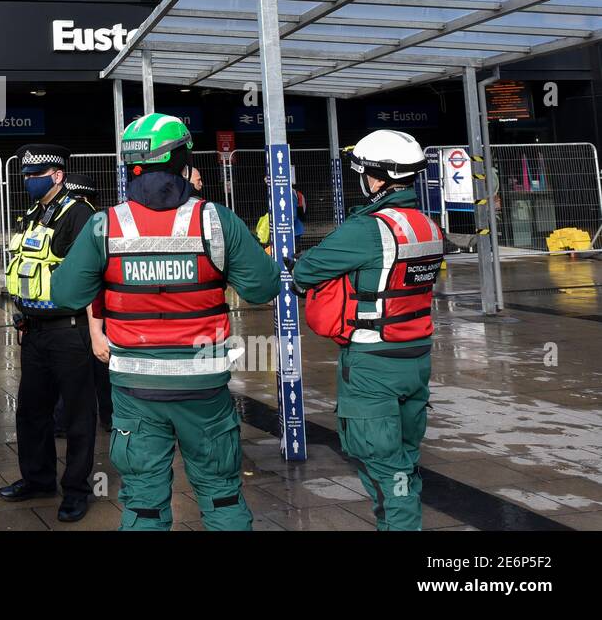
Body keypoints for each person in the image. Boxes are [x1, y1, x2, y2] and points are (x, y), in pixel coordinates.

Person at [51, 114, 282, 530]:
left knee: (142, 505)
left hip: (135, 390)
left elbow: (65, 294)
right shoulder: (217, 221)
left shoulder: (106, 226)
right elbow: (263, 288)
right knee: (223, 496)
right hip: (204, 389)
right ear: (183, 160)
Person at [292, 129, 441, 531]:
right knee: (404, 462)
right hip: (416, 359)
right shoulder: (427, 225)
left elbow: (306, 270)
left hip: (372, 365)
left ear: (376, 178)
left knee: (383, 467)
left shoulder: (367, 229)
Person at [0, 143, 96, 523]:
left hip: (69, 331)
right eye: (25, 175)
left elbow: (90, 276)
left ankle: (76, 490)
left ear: (56, 176)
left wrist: (97, 331)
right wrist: (22, 320)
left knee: (77, 415)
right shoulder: (33, 215)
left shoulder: (79, 215)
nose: (27, 181)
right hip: (35, 331)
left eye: (34, 176)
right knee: (32, 412)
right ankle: (38, 479)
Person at [56, 171, 112, 434]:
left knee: (73, 372)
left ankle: (66, 419)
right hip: (86, 310)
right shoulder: (91, 219)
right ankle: (108, 416)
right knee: (96, 369)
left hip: (67, 309)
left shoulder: (61, 216)